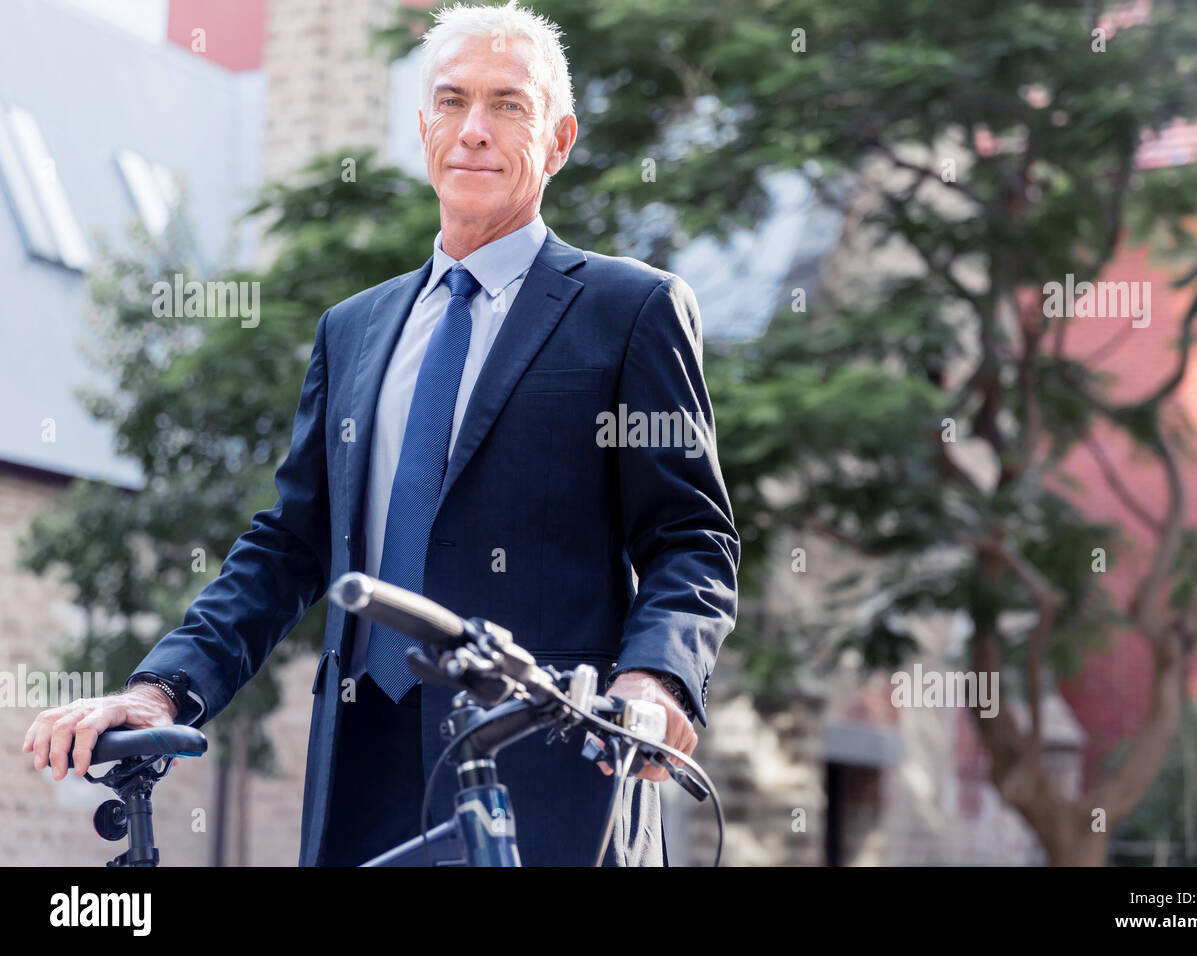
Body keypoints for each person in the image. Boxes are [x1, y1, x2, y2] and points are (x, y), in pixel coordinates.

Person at [22, 0, 738, 867]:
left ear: (557, 140)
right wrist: (163, 689)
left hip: (553, 776)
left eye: (508, 104)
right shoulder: (352, 329)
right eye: (451, 100)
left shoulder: (631, 311)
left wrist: (653, 682)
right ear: (424, 126)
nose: (474, 129)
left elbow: (690, 538)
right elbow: (288, 547)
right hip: (362, 775)